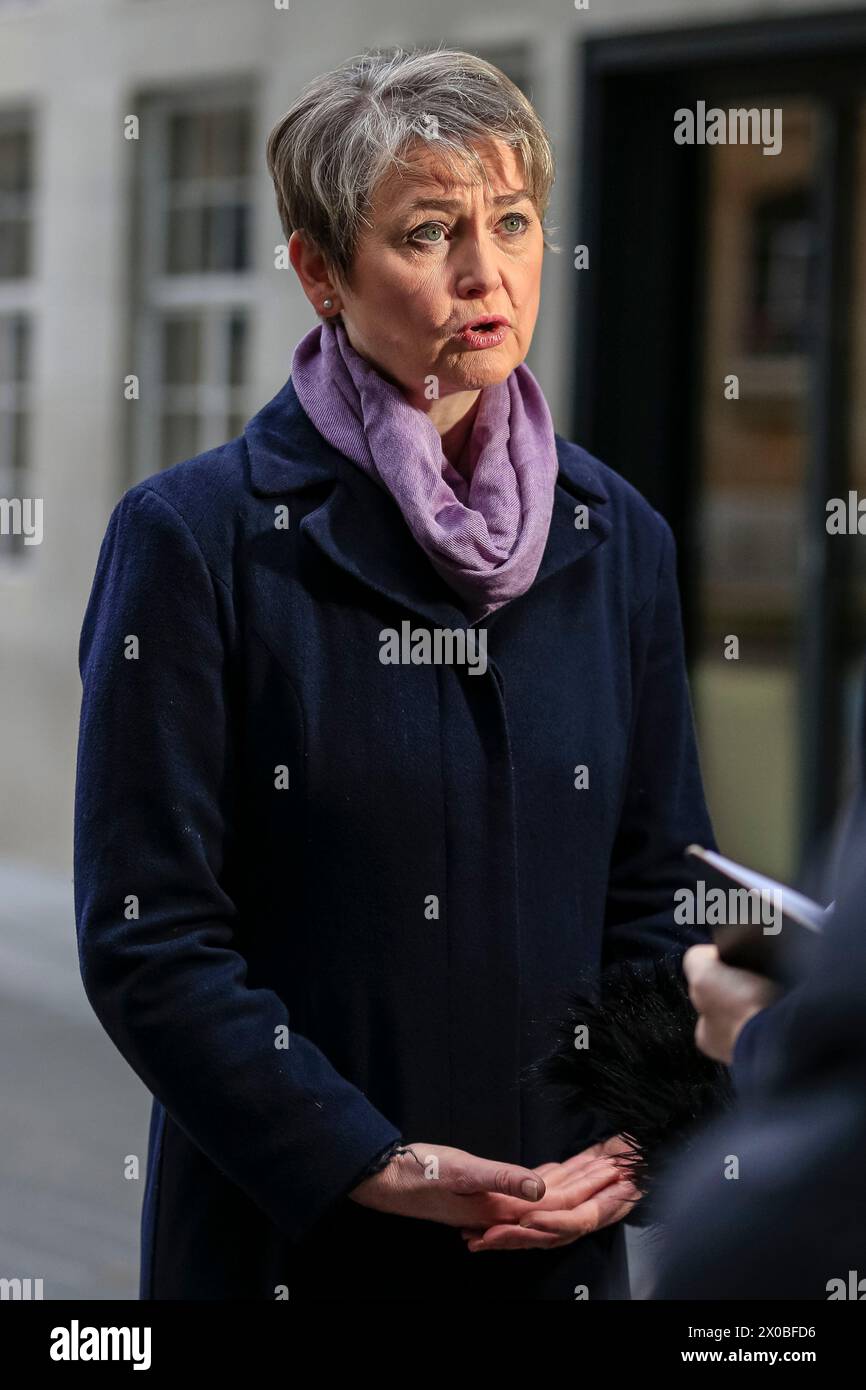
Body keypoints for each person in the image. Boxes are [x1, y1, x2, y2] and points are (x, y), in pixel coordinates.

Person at [73, 46, 714, 1301]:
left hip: (557, 1242)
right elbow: (151, 934)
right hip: (298, 1237)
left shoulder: (614, 535)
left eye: (512, 222)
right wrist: (371, 1159)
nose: (486, 274)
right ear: (319, 271)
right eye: (430, 233)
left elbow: (659, 889)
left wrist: (636, 1140)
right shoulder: (195, 540)